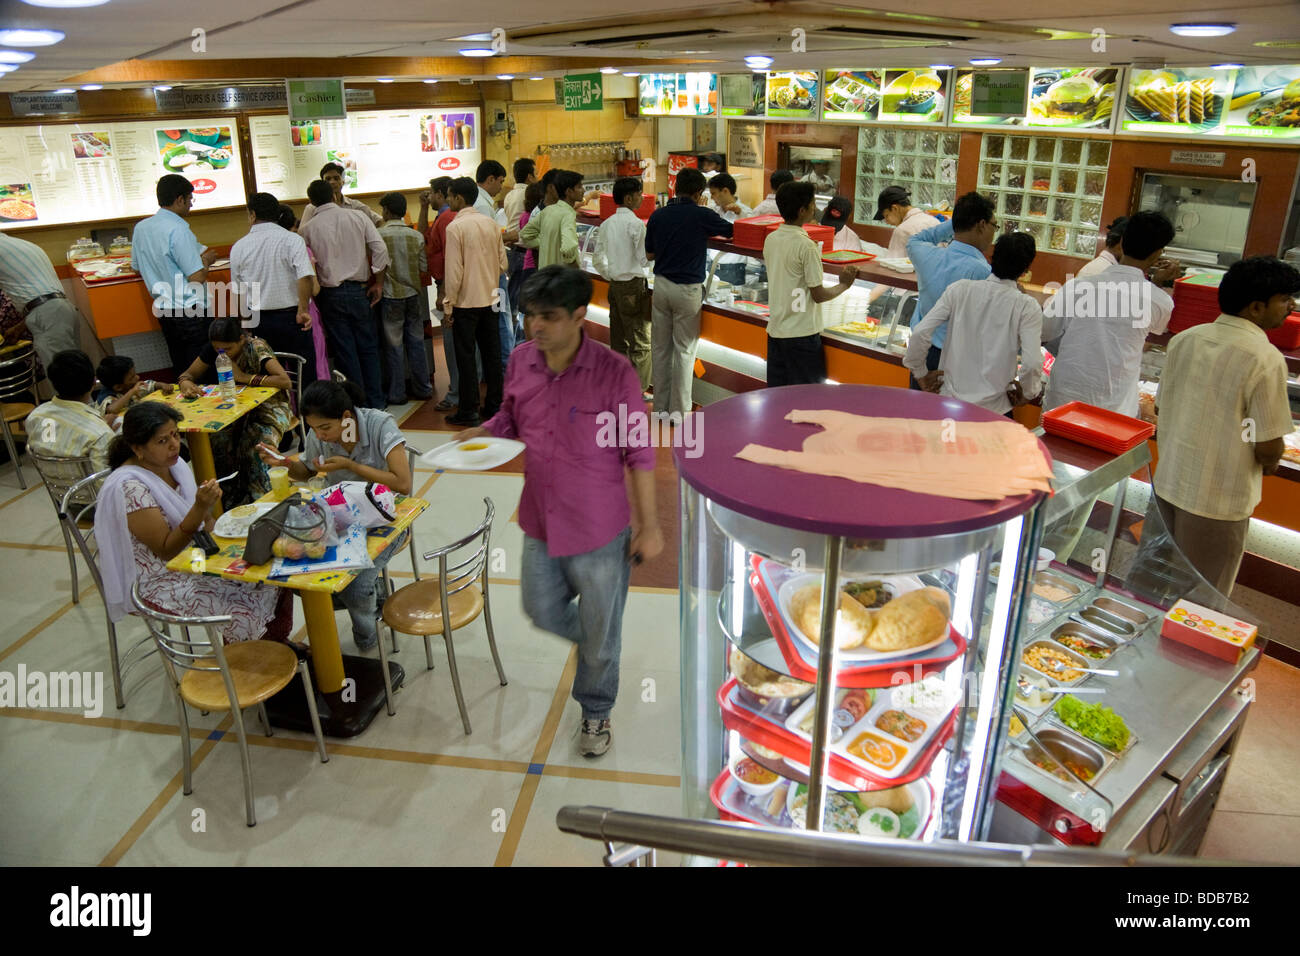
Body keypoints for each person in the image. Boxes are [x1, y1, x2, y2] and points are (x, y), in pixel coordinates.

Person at [458, 266, 662, 757]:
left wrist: (650, 526)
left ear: (578, 316)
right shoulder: (522, 361)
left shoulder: (615, 373)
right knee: (542, 609)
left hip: (600, 528)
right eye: (529, 315)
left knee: (599, 638)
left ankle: (595, 711)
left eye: (548, 316)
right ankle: (598, 644)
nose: (535, 327)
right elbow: (511, 416)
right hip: (541, 520)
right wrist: (486, 432)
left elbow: (639, 452)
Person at [1150, 256, 1299, 595]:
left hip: (1169, 486)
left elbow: (1161, 405)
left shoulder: (1186, 339)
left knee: (1157, 589)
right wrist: (1272, 461)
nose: (1291, 306)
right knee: (1202, 604)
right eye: (1285, 299)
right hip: (1217, 503)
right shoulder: (1264, 357)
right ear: (1257, 307)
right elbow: (1267, 446)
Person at [96, 401, 291, 644]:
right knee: (246, 607)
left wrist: (225, 538)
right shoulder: (130, 488)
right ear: (138, 448)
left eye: (175, 435)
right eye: (162, 441)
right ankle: (255, 663)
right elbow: (166, 550)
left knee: (272, 573)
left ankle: (271, 649)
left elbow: (204, 522)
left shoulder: (172, 464)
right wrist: (200, 508)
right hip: (160, 579)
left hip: (194, 557)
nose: (174, 445)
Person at [258, 379, 411, 651]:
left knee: (355, 586)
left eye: (325, 427)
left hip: (388, 520)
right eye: (314, 428)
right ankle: (375, 594)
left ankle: (368, 637)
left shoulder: (379, 425)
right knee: (291, 577)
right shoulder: (320, 436)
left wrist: (351, 465)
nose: (320, 435)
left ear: (347, 417)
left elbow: (402, 483)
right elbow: (306, 471)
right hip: (341, 520)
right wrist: (284, 463)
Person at [1042, 210, 1179, 415]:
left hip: (1062, 402)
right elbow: (1157, 327)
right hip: (1114, 409)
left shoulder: (1077, 287)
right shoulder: (1160, 301)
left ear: (1121, 243)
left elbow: (1045, 332)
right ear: (1157, 254)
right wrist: (1160, 282)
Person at [905, 232, 1044, 416]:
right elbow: (1032, 362)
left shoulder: (960, 290)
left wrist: (920, 373)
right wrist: (1027, 393)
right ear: (1025, 270)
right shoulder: (1026, 306)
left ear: (991, 259)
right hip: (995, 410)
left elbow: (920, 332)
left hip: (949, 404)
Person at [645, 167, 734, 415]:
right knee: (684, 351)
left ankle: (660, 409)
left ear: (674, 188)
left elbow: (649, 253)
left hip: (661, 286)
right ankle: (679, 412)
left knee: (660, 348)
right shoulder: (702, 215)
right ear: (699, 192)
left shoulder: (658, 215)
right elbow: (731, 231)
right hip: (687, 290)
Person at [177, 318, 294, 505]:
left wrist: (243, 377)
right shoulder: (215, 350)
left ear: (241, 339)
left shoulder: (256, 347)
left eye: (228, 349)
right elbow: (187, 374)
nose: (223, 353)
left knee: (255, 449)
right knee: (218, 444)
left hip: (269, 408)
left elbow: (284, 381)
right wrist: (186, 383)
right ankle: (230, 502)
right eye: (217, 349)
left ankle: (264, 501)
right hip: (235, 409)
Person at [299, 178, 390, 409]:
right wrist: (378, 282)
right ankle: (377, 402)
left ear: (311, 202)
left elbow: (305, 264)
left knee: (345, 351)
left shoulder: (307, 229)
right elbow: (380, 249)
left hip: (330, 295)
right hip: (360, 290)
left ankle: (357, 405)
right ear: (333, 195)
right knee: (369, 347)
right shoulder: (358, 217)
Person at [763, 182, 858, 387]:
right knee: (808, 400)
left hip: (776, 332)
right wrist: (844, 285)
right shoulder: (806, 246)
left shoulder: (771, 238)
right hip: (802, 336)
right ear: (802, 210)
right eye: (813, 204)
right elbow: (818, 294)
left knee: (777, 397)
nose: (815, 208)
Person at [906, 191, 997, 389]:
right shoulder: (983, 272)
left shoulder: (925, 254)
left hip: (921, 352)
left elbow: (917, 239)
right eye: (994, 226)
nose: (994, 232)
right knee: (949, 418)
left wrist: (957, 221)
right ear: (982, 225)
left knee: (919, 415)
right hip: (956, 359)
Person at [132, 174, 219, 373]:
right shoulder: (178, 229)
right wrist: (205, 261)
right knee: (202, 368)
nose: (191, 205)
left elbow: (136, 266)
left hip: (164, 309)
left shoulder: (141, 228)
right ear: (179, 199)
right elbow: (196, 277)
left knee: (180, 365)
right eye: (190, 199)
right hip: (190, 310)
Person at [230, 192, 317, 385]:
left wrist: (245, 324)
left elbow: (238, 291)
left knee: (266, 380)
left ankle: (276, 414)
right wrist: (303, 310)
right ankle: (305, 414)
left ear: (252, 214)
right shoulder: (292, 240)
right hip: (293, 318)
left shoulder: (239, 247)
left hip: (259, 322)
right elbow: (305, 276)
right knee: (304, 375)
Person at [443, 176, 508, 426]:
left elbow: (454, 272)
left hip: (466, 302)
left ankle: (468, 410)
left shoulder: (455, 228)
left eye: (450, 196)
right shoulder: (490, 224)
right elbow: (503, 263)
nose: (449, 200)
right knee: (492, 353)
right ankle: (494, 406)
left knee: (466, 356)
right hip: (491, 297)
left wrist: (449, 305)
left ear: (459, 198)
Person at [593, 177, 652, 391]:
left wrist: (611, 275)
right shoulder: (636, 224)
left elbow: (597, 259)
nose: (641, 198)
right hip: (634, 287)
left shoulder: (607, 223)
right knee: (640, 343)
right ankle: (638, 391)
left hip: (615, 286)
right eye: (639, 194)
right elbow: (645, 259)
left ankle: (619, 388)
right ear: (628, 198)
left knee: (618, 342)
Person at [376, 193, 433, 404]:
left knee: (394, 346)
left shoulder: (379, 235)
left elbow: (376, 266)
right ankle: (423, 388)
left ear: (387, 211)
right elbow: (423, 267)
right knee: (417, 342)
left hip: (391, 296)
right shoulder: (415, 235)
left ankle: (397, 393)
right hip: (413, 295)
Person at [0, 230, 85, 367]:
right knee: (75, 373)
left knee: (63, 378)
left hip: (50, 316)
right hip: (62, 309)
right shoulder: (25, 244)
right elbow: (42, 298)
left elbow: (41, 303)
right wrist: (19, 327)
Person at [28, 349, 116, 473]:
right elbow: (105, 484)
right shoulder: (100, 434)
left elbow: (53, 443)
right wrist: (104, 432)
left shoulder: (36, 415)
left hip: (56, 488)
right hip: (87, 491)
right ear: (93, 382)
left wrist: (100, 426)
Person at [419, 177, 460, 411]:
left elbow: (448, 258)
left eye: (432, 193)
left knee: (452, 342)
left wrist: (443, 291)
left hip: (448, 287)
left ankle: (456, 392)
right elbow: (423, 236)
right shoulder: (441, 217)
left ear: (443, 194)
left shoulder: (446, 219)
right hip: (448, 284)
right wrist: (424, 207)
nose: (430, 197)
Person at [276, 204, 329, 382]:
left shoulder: (270, 249)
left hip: (279, 315)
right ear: (294, 225)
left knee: (286, 367)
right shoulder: (301, 248)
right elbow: (314, 288)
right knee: (314, 363)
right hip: (306, 311)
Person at [517, 169, 584, 269]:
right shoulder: (568, 214)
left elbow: (524, 234)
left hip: (545, 275)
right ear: (569, 192)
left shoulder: (547, 211)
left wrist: (544, 244)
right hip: (561, 277)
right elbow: (568, 247)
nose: (583, 190)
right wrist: (574, 266)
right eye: (579, 187)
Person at [503, 158, 538, 329]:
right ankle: (518, 341)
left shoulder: (509, 194)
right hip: (524, 253)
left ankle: (513, 338)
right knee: (522, 303)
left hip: (511, 250)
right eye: (536, 173)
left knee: (512, 300)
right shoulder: (529, 195)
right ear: (530, 176)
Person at [94, 354, 174, 427]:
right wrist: (132, 392)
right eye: (131, 377)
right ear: (118, 387)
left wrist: (162, 385)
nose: (137, 377)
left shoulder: (130, 386)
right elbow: (112, 409)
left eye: (135, 374)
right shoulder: (106, 396)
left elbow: (151, 385)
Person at [299, 162, 382, 228]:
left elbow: (379, 221)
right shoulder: (312, 208)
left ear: (343, 181)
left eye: (336, 178)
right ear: (322, 183)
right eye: (328, 179)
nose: (332, 182)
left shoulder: (354, 205)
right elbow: (303, 233)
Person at [876, 186, 940, 259]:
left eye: (886, 216)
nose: (887, 222)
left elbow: (892, 263)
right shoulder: (934, 221)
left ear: (895, 208)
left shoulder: (902, 230)